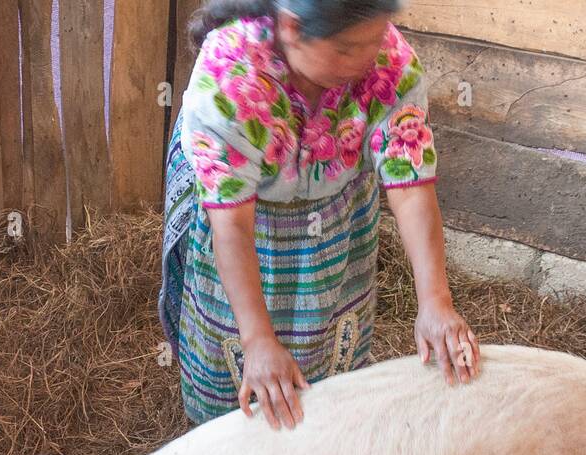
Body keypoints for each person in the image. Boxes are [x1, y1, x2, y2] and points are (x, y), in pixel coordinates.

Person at [159, 0, 480, 429]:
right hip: (245, 220)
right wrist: (256, 340)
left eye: (374, 39)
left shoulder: (388, 61)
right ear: (292, 29)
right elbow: (232, 226)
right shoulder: (229, 79)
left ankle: (322, 431)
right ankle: (228, 433)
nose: (364, 60)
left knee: (330, 335)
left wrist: (435, 302)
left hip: (336, 216)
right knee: (238, 352)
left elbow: (409, 185)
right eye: (346, 48)